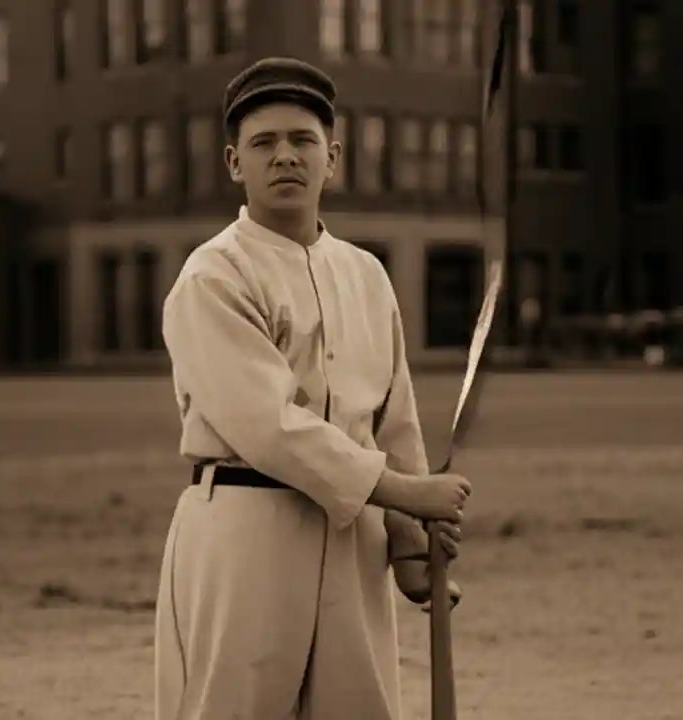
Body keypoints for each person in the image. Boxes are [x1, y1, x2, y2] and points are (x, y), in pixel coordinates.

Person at [155, 57, 472, 720]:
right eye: (263, 143)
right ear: (234, 162)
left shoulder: (367, 275)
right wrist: (409, 493)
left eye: (302, 141)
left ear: (332, 157)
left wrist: (412, 547)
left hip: (353, 538)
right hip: (246, 525)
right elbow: (271, 426)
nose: (285, 157)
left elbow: (395, 423)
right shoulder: (213, 276)